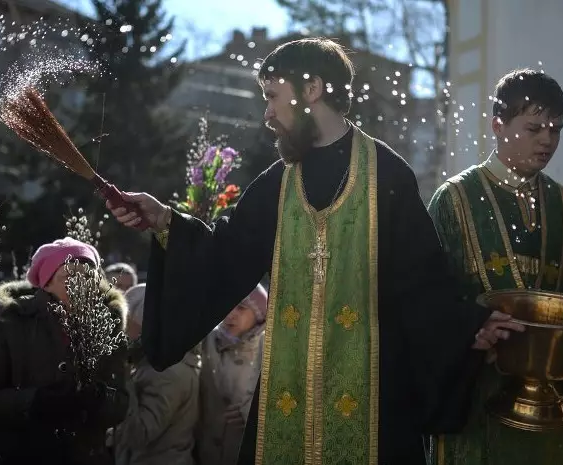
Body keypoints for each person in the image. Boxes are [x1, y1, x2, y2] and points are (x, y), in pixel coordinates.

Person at [107, 38, 520, 465]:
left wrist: (470, 324)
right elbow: (223, 256)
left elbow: (423, 284)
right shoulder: (276, 183)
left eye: (272, 96)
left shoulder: (387, 174)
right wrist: (164, 222)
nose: (267, 114)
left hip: (373, 401)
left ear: (312, 89)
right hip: (286, 401)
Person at [427, 68, 563, 465]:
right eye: (534, 128)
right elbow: (426, 298)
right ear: (498, 125)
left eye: (556, 129)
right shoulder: (454, 200)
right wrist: (472, 326)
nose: (548, 140)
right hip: (478, 402)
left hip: (556, 405)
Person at [0, 238, 129, 465]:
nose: (81, 285)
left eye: (88, 277)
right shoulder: (13, 321)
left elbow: (121, 401)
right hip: (25, 453)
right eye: (70, 277)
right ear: (47, 283)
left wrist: (98, 400)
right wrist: (35, 401)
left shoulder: (106, 325)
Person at [113, 284, 199, 465]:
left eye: (129, 322)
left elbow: (139, 434)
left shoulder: (167, 373)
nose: (124, 330)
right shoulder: (150, 362)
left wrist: (122, 377)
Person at [197, 284, 267, 465]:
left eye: (242, 308)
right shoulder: (206, 342)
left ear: (258, 313)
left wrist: (250, 410)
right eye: (228, 306)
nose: (231, 314)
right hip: (203, 452)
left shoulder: (267, 351)